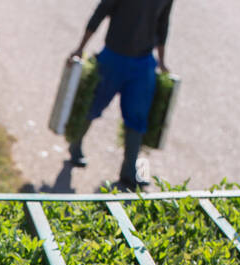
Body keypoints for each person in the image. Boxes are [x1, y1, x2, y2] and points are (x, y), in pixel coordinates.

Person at [69, 0, 174, 190]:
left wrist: (162, 60)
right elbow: (101, 12)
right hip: (113, 57)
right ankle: (75, 144)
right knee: (93, 106)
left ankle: (129, 170)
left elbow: (163, 24)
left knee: (138, 117)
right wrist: (80, 47)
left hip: (143, 63)